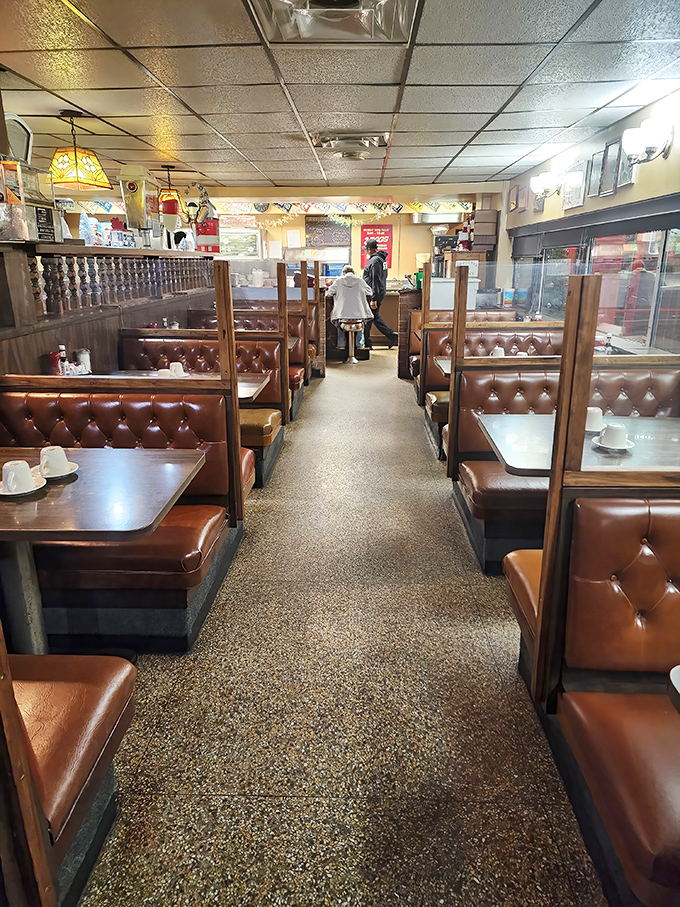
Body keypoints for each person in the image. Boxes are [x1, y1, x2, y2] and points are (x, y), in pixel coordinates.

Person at [326, 265, 373, 351]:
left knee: (339, 323)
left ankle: (341, 345)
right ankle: (360, 344)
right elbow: (369, 292)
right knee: (360, 323)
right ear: (354, 273)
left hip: (342, 314)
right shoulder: (360, 281)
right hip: (359, 314)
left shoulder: (338, 281)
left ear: (343, 273)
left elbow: (328, 293)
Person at [362, 238, 398, 349]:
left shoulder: (374, 261)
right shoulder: (381, 260)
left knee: (370, 317)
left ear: (370, 250)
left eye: (366, 250)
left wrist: (374, 298)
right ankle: (367, 342)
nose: (365, 252)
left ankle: (390, 336)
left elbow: (375, 280)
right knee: (371, 317)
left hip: (374, 294)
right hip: (378, 292)